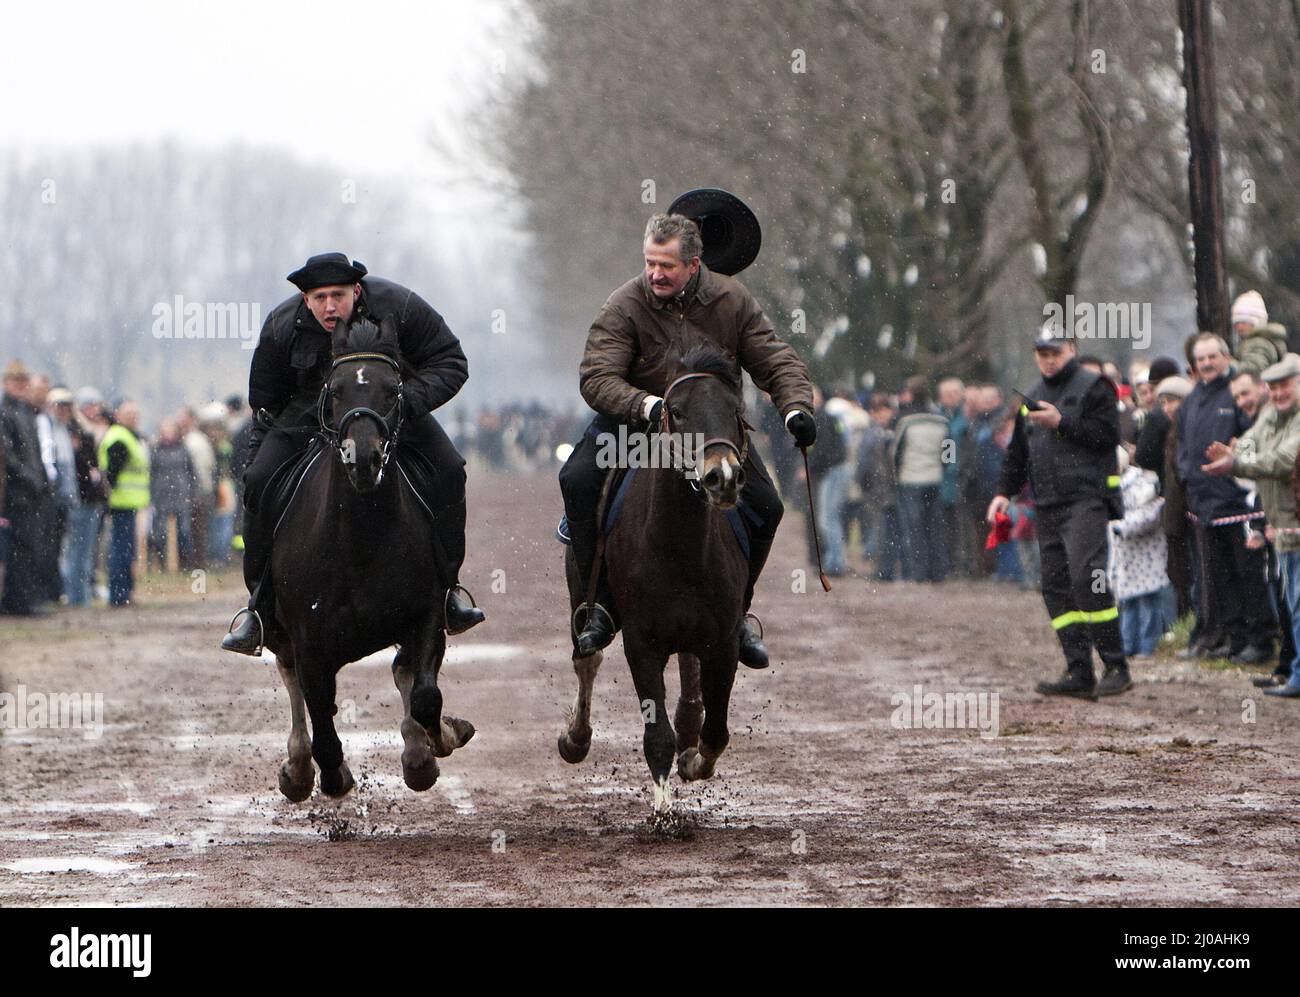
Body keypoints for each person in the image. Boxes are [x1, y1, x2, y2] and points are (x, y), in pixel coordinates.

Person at [559, 208, 814, 666]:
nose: (654, 274)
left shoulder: (733, 300)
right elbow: (596, 377)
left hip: (712, 428)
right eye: (649, 263)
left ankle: (737, 614)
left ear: (693, 265)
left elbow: (776, 360)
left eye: (666, 266)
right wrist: (646, 405)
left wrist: (795, 407)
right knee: (575, 480)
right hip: (634, 425)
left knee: (768, 506)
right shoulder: (625, 304)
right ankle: (598, 606)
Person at [222, 252, 484, 654]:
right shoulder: (280, 325)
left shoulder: (401, 306)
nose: (330, 306)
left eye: (338, 295)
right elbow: (265, 404)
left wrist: (403, 401)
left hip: (386, 406)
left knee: (450, 470)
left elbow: (452, 361)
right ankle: (258, 608)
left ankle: (449, 591)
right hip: (307, 410)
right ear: (305, 300)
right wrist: (258, 460)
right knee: (257, 481)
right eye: (319, 297)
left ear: (357, 291)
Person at [987, 326, 1130, 699]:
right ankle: (1079, 670)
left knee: (1088, 578)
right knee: (1054, 586)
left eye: (1056, 352)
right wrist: (1003, 494)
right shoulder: (1030, 396)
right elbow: (1017, 454)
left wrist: (1062, 423)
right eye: (1042, 353)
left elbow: (1108, 437)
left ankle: (1116, 665)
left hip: (1086, 499)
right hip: (1046, 503)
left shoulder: (1095, 386)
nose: (1048, 360)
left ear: (1072, 349)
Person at [1202, 355, 1300, 694]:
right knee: (1292, 603)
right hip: (1282, 523)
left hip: (1293, 524)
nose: (1278, 393)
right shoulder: (1272, 414)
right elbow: (1250, 440)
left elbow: (1285, 460)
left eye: (1284, 385)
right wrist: (1237, 455)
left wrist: (1237, 464)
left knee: (1297, 603)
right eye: (1273, 387)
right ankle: (1292, 670)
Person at [1176, 333, 1275, 664]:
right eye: (1200, 359)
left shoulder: (1236, 394)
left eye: (1211, 357)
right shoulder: (1191, 400)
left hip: (1239, 507)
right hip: (1204, 507)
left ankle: (1260, 640)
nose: (1205, 364)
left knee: (1249, 577)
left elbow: (1248, 440)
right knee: (1221, 580)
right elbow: (1182, 447)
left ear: (1225, 356)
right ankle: (1235, 639)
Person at [1, 361, 53, 615]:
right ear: (6, 383)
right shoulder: (6, 413)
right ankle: (17, 601)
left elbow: (34, 452)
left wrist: (41, 479)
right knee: (19, 547)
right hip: (17, 492)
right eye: (15, 381)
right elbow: (8, 456)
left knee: (31, 546)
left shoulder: (26, 412)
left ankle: (25, 598)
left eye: (23, 382)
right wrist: (29, 477)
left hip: (32, 490)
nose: (20, 386)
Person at [1108, 447, 1171, 659]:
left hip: (1146, 556)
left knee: (1147, 602)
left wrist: (1123, 526)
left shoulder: (1141, 484)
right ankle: (1127, 644)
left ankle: (1147, 645)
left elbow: (1150, 513)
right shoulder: (1110, 488)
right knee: (1127, 602)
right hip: (1124, 557)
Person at [892, 377, 949, 582]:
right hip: (934, 479)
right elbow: (948, 453)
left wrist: (897, 472)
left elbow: (895, 453)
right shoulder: (941, 420)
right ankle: (938, 571)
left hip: (910, 479)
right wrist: (939, 467)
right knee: (934, 526)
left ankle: (918, 572)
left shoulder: (905, 420)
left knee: (914, 528)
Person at [99, 400, 149, 607]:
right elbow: (111, 474)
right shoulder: (120, 438)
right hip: (121, 502)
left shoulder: (128, 436)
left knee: (125, 550)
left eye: (135, 412)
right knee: (121, 550)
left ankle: (124, 592)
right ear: (117, 414)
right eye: (128, 412)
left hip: (128, 503)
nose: (133, 416)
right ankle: (119, 594)